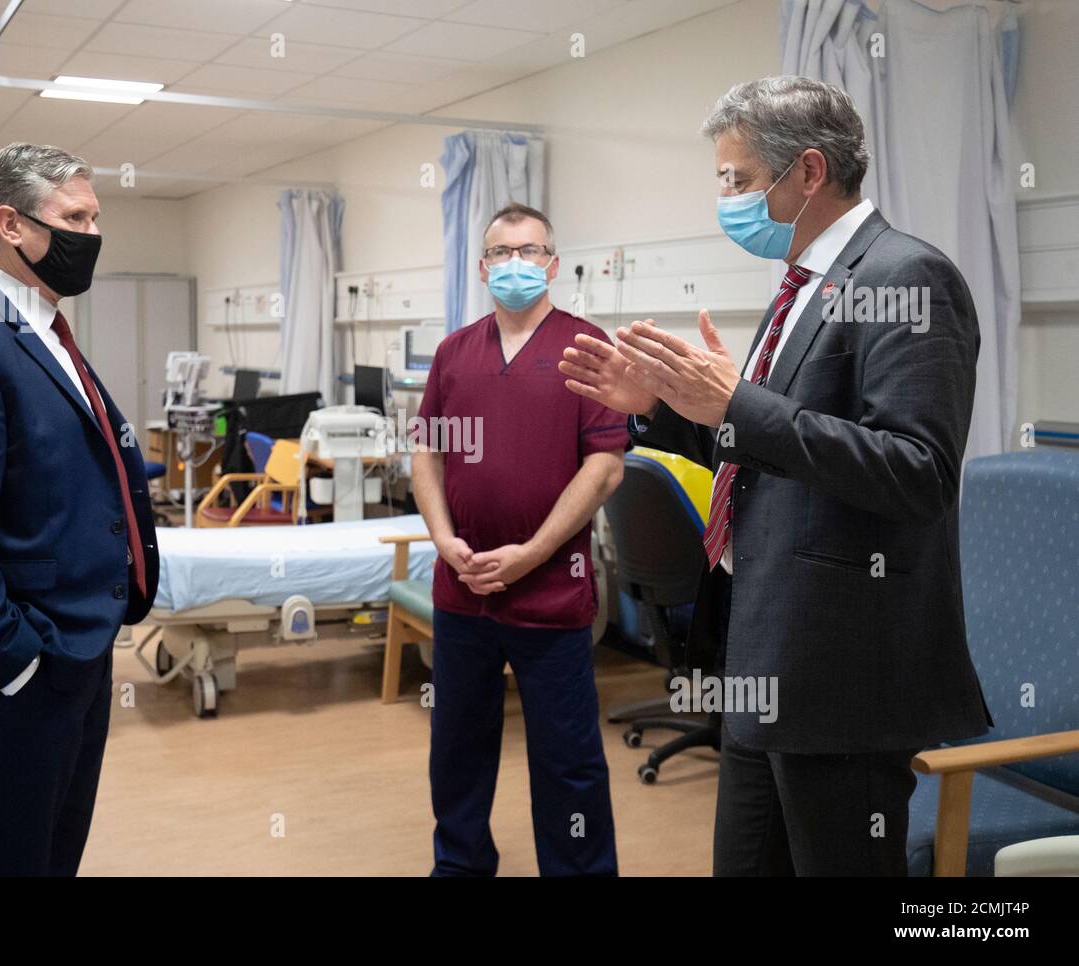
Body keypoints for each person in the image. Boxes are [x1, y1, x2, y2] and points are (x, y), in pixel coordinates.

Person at [560, 76, 991, 876]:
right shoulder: (801, 286)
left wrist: (739, 404)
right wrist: (665, 404)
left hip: (843, 669)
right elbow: (766, 452)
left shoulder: (905, 278)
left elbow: (919, 471)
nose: (723, 198)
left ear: (810, 172)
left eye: (737, 180)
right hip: (762, 652)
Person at [0, 142, 158, 875]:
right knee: (5, 862)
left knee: (53, 854)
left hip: (80, 645)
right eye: (74, 216)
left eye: (96, 217)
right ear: (10, 225)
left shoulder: (46, 331)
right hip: (22, 668)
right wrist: (14, 661)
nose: (93, 234)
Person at [412, 202, 628, 876]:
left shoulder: (587, 349)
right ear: (482, 268)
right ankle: (461, 864)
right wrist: (444, 539)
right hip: (463, 588)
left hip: (550, 593)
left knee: (568, 761)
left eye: (529, 252)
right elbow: (427, 455)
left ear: (553, 264)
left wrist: (532, 553)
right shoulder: (454, 354)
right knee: (456, 752)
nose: (515, 264)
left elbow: (606, 466)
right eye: (502, 253)